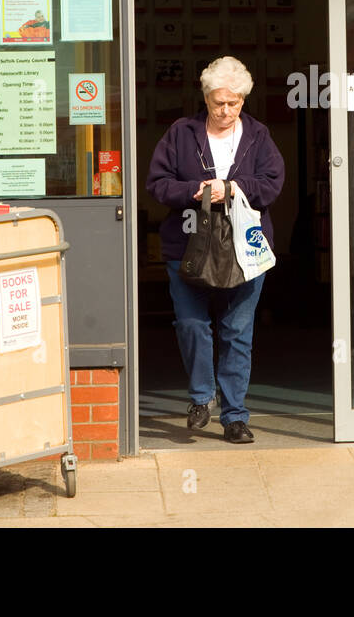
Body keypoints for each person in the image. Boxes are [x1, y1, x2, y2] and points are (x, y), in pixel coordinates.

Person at [146, 55, 284, 443]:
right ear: (205, 98)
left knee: (237, 331)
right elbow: (157, 183)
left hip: (246, 248)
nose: (226, 111)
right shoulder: (181, 132)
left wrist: (234, 187)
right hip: (188, 245)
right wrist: (197, 191)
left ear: (244, 100)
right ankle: (201, 397)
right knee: (192, 325)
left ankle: (235, 416)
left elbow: (272, 183)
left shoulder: (259, 136)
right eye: (218, 103)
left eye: (234, 103)